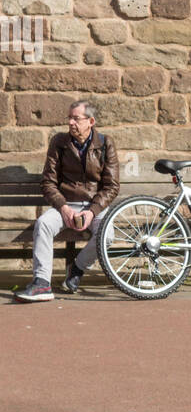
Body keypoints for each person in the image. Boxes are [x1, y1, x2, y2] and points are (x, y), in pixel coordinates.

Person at [14, 100, 120, 302]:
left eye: (76, 118)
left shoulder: (106, 144)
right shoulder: (59, 143)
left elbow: (112, 186)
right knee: (43, 224)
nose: (71, 122)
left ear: (91, 121)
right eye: (69, 118)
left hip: (94, 205)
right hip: (66, 204)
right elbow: (48, 182)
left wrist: (92, 211)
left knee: (107, 236)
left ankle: (77, 269)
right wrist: (63, 208)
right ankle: (41, 283)